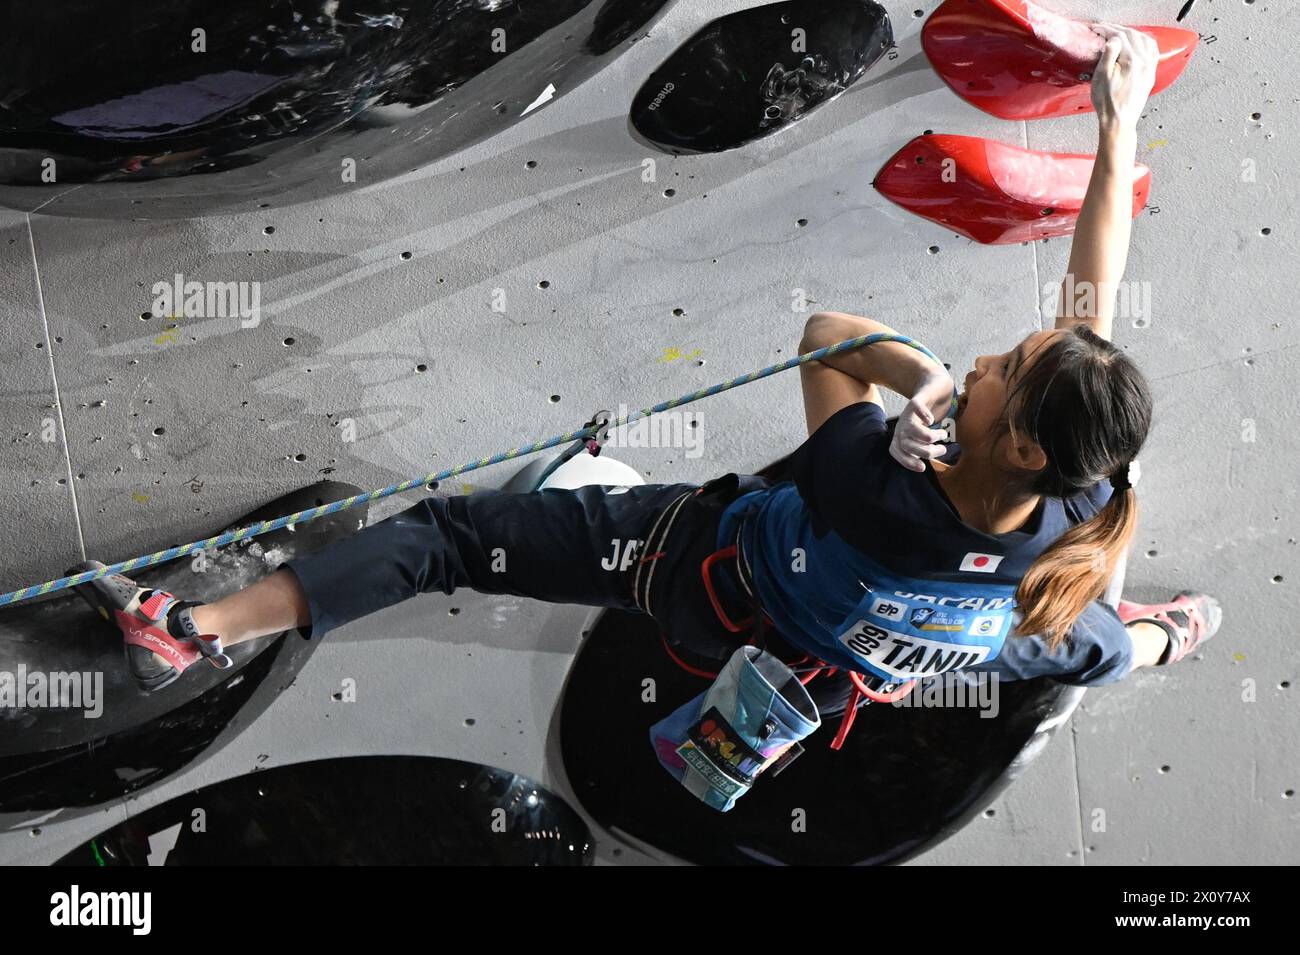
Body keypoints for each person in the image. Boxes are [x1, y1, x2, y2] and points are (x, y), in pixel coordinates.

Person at [71, 24, 1219, 703]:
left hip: (695, 563)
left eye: (997, 368)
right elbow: (1089, 306)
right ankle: (1179, 628)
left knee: (450, 540)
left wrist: (913, 381)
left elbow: (826, 336)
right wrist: (1115, 127)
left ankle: (193, 633)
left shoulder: (874, 478)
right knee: (1099, 640)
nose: (981, 356)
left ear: (1021, 443)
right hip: (836, 637)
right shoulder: (1066, 536)